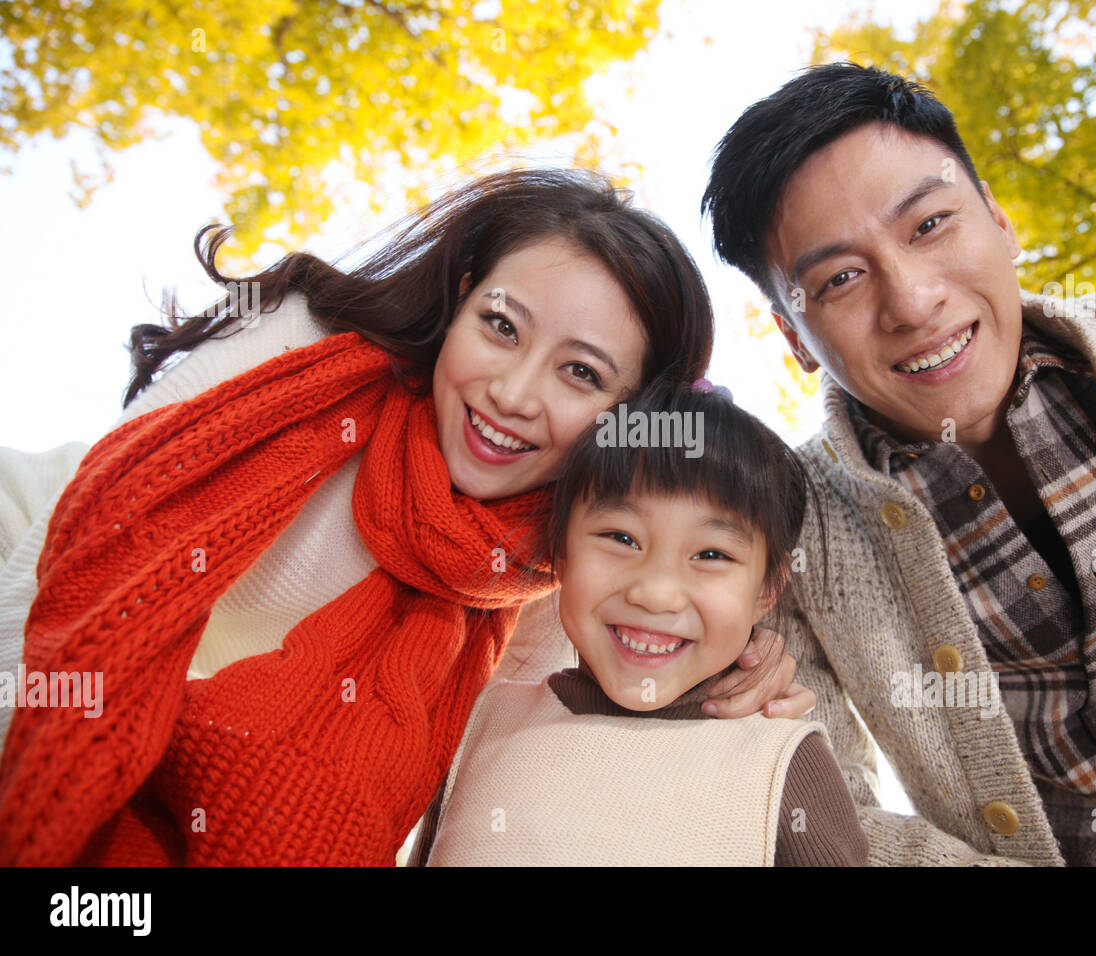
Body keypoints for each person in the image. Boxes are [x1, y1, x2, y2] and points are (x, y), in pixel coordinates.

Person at [0, 169, 804, 866]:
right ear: (459, 301)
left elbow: (552, 740)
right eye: (500, 326)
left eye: (581, 373)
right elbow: (58, 576)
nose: (514, 395)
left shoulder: (554, 567)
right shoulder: (298, 346)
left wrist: (737, 672)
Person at [701, 63, 1096, 866]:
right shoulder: (784, 529)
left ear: (1000, 220)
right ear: (794, 339)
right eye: (840, 278)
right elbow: (829, 819)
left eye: (930, 224)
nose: (912, 301)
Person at [410, 383, 867, 866]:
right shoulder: (482, 722)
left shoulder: (782, 763)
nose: (655, 592)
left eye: (711, 554)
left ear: (766, 592)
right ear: (561, 554)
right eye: (621, 537)